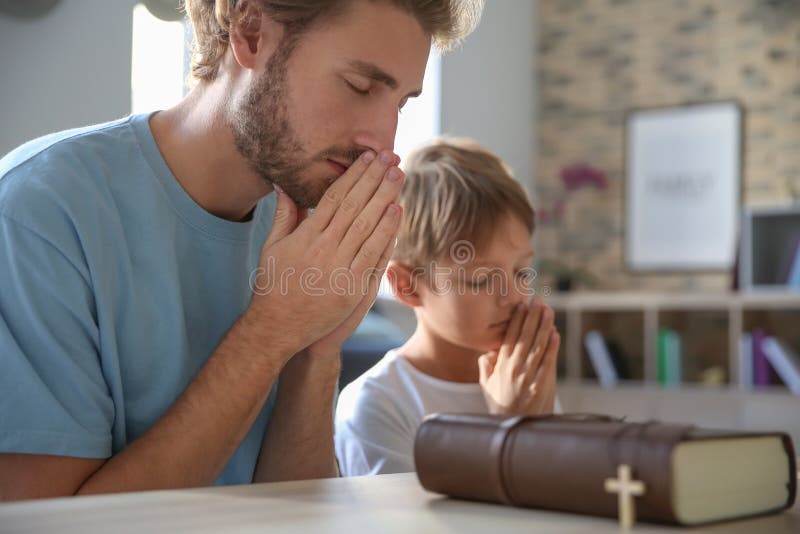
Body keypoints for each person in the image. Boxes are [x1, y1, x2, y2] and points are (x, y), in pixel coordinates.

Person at [0, 0, 483, 500]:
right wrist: (272, 329)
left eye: (400, 104)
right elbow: (49, 523)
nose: (383, 139)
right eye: (359, 86)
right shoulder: (38, 213)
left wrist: (316, 352)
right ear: (251, 31)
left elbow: (296, 514)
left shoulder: (309, 229)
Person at [334, 138, 561, 476]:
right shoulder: (378, 403)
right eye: (481, 279)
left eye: (521, 271)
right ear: (408, 286)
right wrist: (509, 429)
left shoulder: (523, 382)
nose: (513, 295)